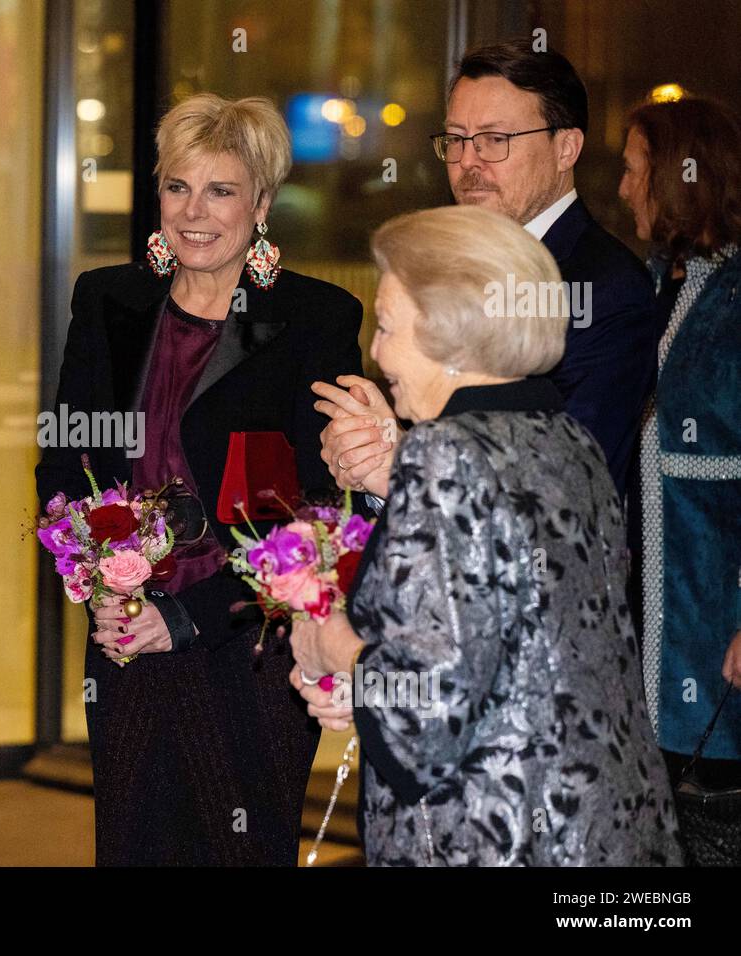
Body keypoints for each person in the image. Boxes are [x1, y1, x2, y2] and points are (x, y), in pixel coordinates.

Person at [290, 205, 680, 866]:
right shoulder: (567, 440)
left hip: (494, 837)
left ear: (451, 332)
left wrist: (334, 649)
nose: (377, 350)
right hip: (607, 828)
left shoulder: (445, 454)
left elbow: (428, 716)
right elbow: (504, 653)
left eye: (387, 325)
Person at [35, 93, 364, 865]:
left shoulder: (313, 320)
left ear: (262, 205)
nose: (194, 212)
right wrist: (101, 582)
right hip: (124, 644)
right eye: (178, 187)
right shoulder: (109, 300)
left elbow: (319, 515)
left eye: (221, 190)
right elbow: (67, 457)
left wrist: (186, 619)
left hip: (247, 653)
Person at [316, 38, 657, 502]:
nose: (468, 162)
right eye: (456, 139)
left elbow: (569, 479)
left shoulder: (607, 288)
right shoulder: (448, 267)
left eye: (495, 140)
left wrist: (401, 464)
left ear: (566, 148)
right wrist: (383, 446)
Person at [619, 95, 741, 817]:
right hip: (651, 639)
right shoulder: (653, 283)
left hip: (717, 633)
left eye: (636, 169)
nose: (626, 187)